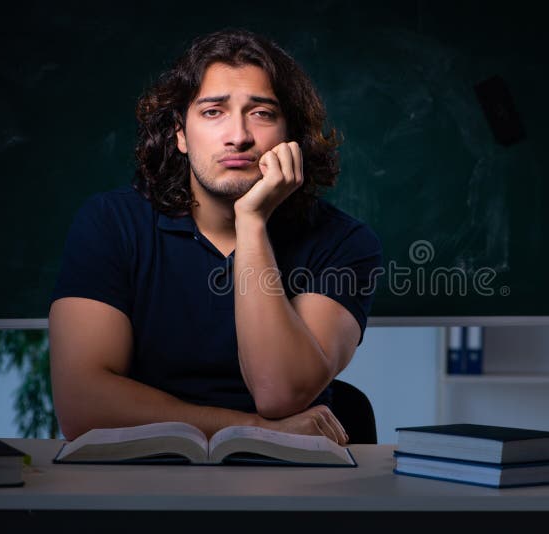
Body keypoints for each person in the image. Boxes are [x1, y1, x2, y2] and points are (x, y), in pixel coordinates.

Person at [48, 29, 382, 446]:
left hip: (290, 483)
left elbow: (278, 393)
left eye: (261, 112)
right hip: (143, 477)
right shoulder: (110, 223)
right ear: (181, 134)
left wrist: (252, 220)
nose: (238, 136)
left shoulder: (343, 242)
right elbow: (82, 405)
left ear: (289, 135)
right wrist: (253, 431)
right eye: (213, 112)